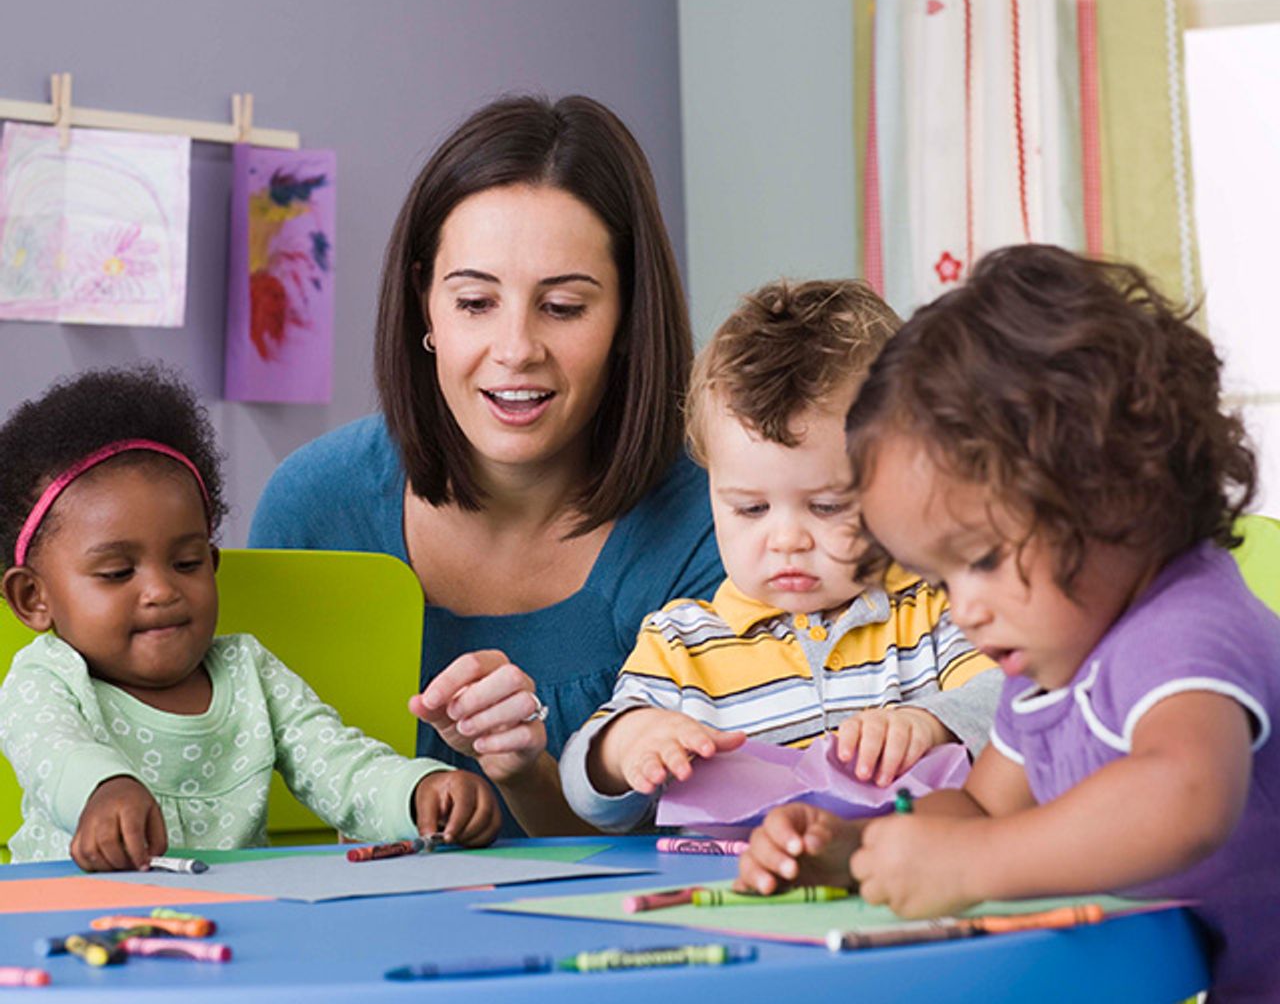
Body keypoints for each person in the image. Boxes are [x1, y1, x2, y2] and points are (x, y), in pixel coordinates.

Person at [737, 246, 1280, 1002]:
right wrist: (860, 849)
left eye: (985, 559)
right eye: (940, 579)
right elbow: (984, 808)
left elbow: (1185, 795)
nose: (965, 609)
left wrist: (973, 865)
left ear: (1115, 484)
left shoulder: (1187, 625)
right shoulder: (1055, 663)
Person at [249, 95, 721, 837]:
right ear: (425, 307)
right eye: (475, 302)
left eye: (562, 307)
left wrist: (524, 770)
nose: (515, 349)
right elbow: (255, 809)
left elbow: (698, 848)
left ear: (628, 317)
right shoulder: (313, 507)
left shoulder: (718, 525)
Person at [0, 366, 501, 870]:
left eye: (187, 563)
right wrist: (103, 789)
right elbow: (54, 754)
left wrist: (417, 792)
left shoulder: (247, 673)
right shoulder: (46, 680)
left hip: (232, 910)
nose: (161, 591)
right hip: (74, 907)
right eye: (117, 572)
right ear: (32, 597)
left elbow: (338, 764)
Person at [559, 279, 1001, 832]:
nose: (786, 540)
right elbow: (583, 789)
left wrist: (931, 722)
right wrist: (627, 745)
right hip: (732, 881)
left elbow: (1017, 703)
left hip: (899, 872)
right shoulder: (682, 645)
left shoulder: (933, 607)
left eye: (827, 506)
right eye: (751, 509)